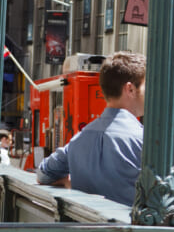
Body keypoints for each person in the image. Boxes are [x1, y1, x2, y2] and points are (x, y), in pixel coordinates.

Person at [36, 51, 146, 205]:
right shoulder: (143, 139)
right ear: (130, 89)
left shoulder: (78, 140)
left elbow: (43, 174)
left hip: (84, 219)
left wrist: (67, 181)